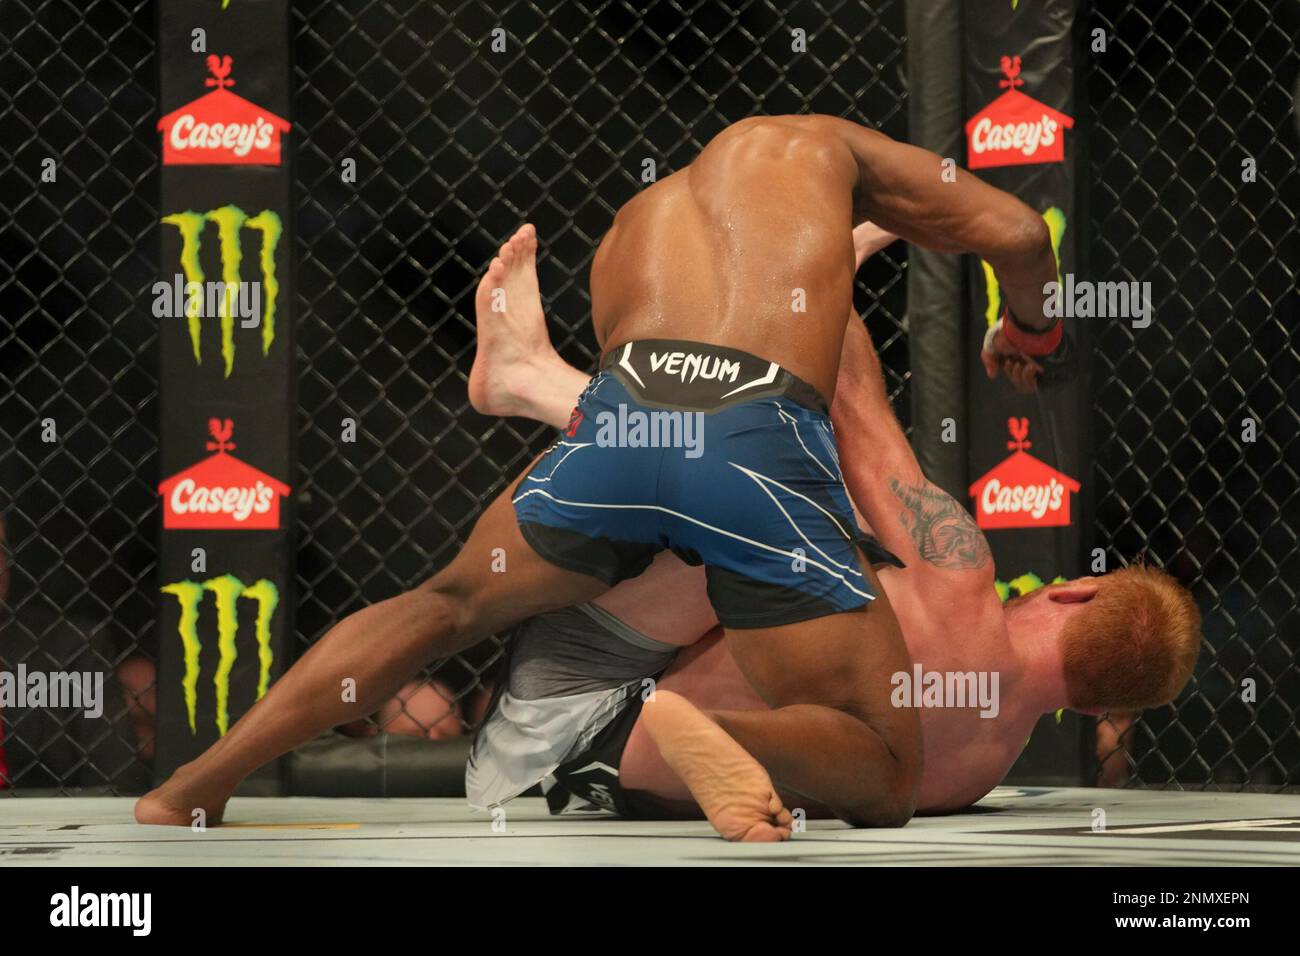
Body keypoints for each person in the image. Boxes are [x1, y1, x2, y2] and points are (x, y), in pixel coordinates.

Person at [138, 115, 1063, 840]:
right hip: (755, 440)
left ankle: (193, 785)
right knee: (886, 764)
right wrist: (1034, 331)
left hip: (624, 418)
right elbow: (1019, 232)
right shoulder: (825, 145)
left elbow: (678, 378)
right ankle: (709, 731)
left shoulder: (634, 225)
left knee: (446, 603)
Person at [464, 223, 1202, 817]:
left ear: (1077, 592)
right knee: (810, 518)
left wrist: (825, 252)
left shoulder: (955, 581)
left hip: (575, 700)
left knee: (751, 473)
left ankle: (529, 377)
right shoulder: (977, 770)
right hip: (584, 780)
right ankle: (533, 380)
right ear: (1096, 703)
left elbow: (854, 404)